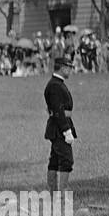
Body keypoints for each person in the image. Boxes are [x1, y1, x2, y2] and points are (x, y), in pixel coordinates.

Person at [43, 54, 78, 195]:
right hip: (59, 127)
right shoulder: (55, 86)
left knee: (56, 159)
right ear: (62, 68)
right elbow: (58, 111)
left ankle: (53, 192)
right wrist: (66, 131)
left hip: (58, 125)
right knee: (66, 159)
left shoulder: (57, 84)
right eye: (69, 68)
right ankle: (62, 192)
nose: (70, 70)